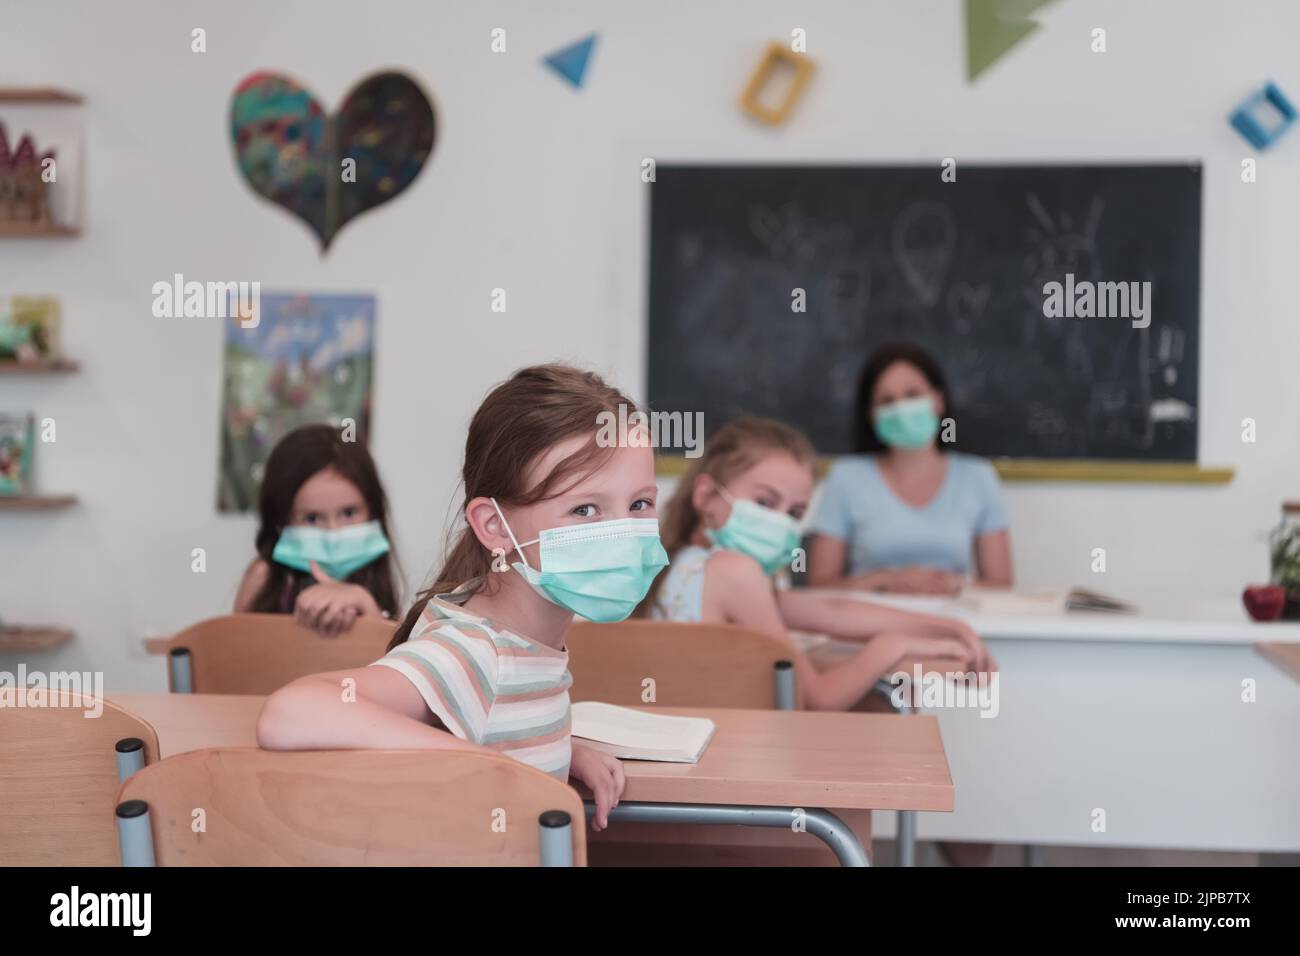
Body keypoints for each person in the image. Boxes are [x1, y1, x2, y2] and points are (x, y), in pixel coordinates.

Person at [258, 364, 665, 830]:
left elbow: (490, 720)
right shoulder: (475, 652)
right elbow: (290, 713)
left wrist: (562, 750)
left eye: (639, 504)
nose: (619, 532)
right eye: (585, 509)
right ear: (494, 527)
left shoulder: (516, 634)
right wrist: (491, 766)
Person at [807, 342, 1013, 594]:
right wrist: (885, 580)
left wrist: (955, 585)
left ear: (938, 401)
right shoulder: (846, 477)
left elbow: (1002, 585)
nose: (901, 409)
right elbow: (819, 585)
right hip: (868, 624)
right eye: (887, 400)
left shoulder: (978, 477)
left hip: (953, 622)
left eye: (912, 395)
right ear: (871, 414)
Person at [234, 424, 399, 636]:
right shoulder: (263, 578)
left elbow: (396, 661)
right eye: (312, 518)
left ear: (373, 511)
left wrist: (364, 603)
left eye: (349, 513)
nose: (333, 532)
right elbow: (235, 657)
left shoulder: (375, 578)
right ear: (280, 521)